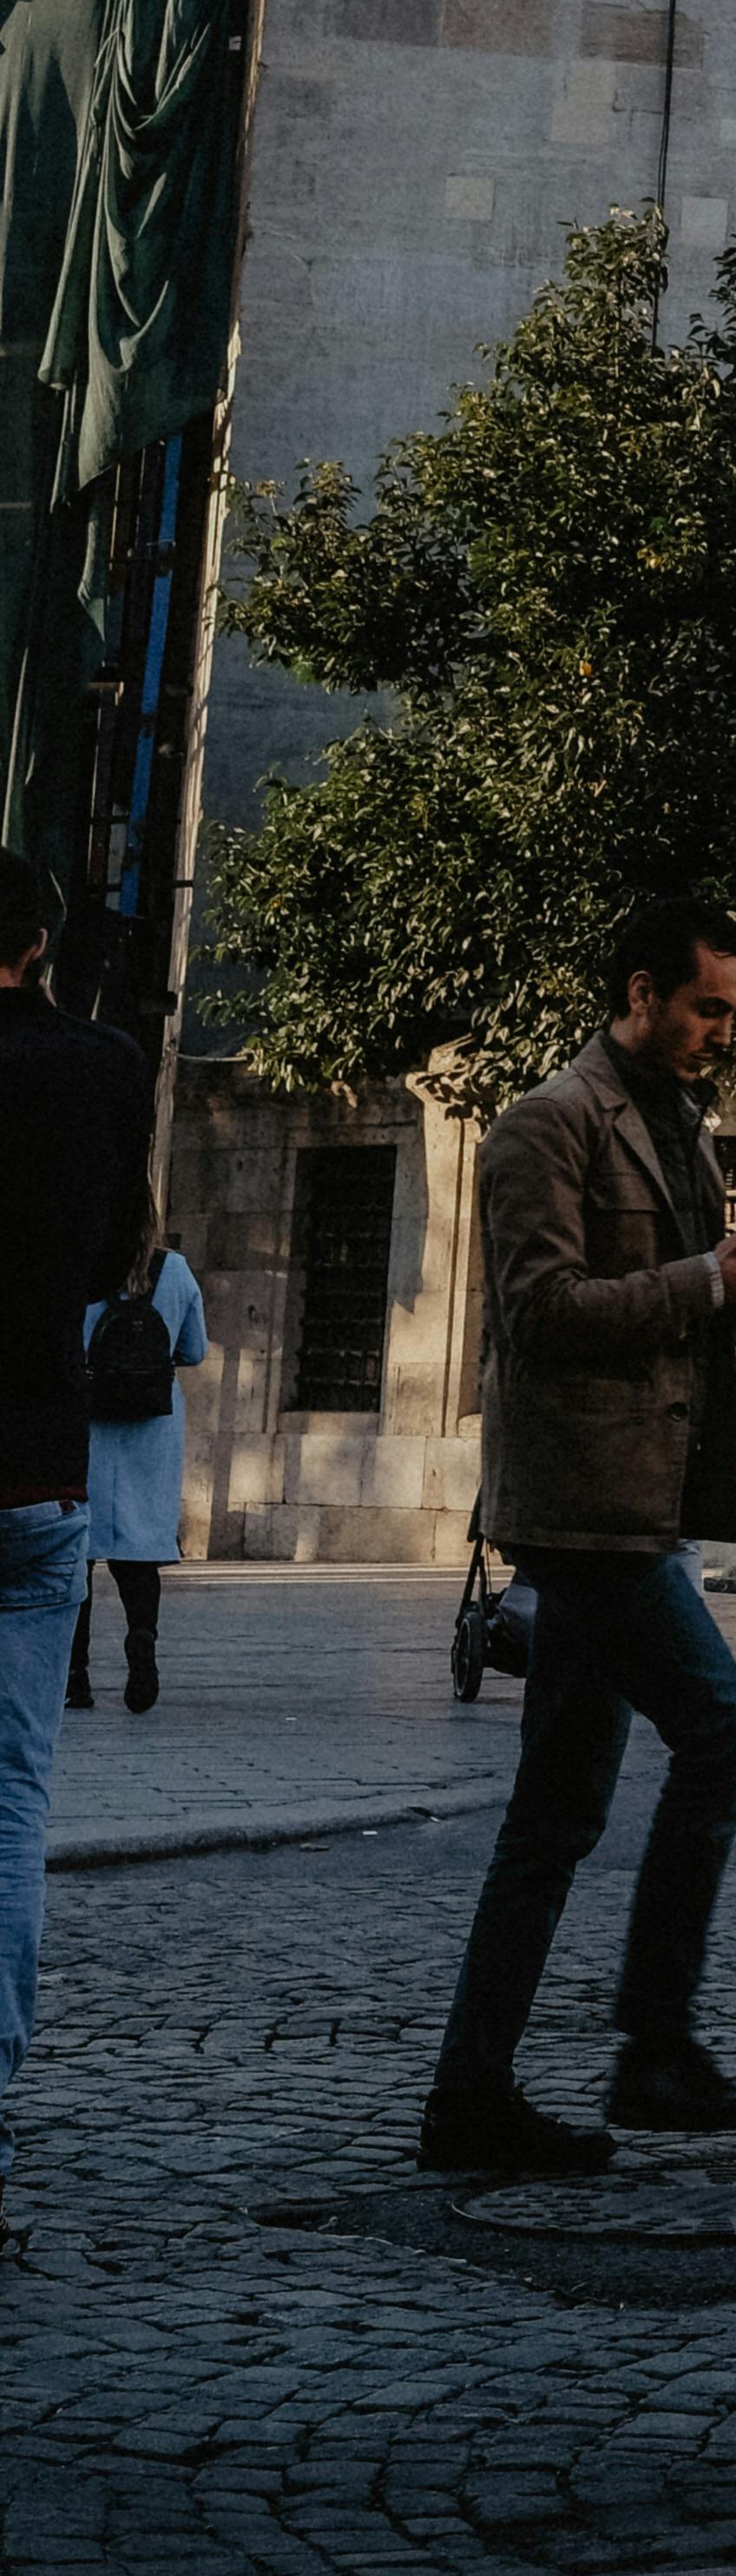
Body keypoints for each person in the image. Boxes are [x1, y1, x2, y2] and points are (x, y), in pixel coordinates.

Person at [420, 895, 736, 2178]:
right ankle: (653, 2047)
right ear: (643, 991)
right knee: (723, 1736)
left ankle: (471, 2096)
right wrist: (708, 1280)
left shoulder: (682, 1126)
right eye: (707, 1007)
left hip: (646, 1505)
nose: (722, 1031)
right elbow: (540, 1313)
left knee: (554, 1813)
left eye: (734, 1011)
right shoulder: (546, 1126)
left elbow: (679, 1322)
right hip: (583, 1513)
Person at [0, 851, 156, 2240]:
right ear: (39, 944)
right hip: (37, 1484)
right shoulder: (101, 1067)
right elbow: (124, 1254)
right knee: (9, 1814)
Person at [69, 1191, 208, 1712]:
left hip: (91, 1421)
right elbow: (194, 1350)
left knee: (78, 1552)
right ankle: (142, 1648)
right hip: (152, 1424)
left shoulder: (82, 1270)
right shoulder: (176, 1271)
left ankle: (75, 1675)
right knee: (141, 1548)